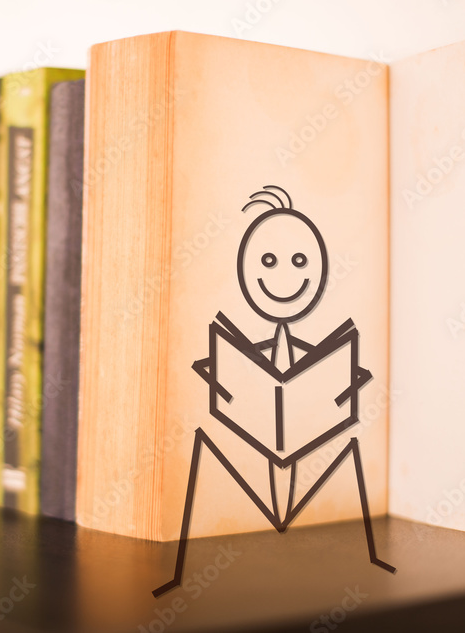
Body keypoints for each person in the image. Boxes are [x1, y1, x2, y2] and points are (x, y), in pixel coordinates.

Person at [153, 186, 395, 599]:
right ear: (247, 271)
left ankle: (371, 556)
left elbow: (348, 378)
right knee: (202, 442)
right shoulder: (250, 347)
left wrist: (349, 379)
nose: (285, 275)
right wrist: (214, 372)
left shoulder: (312, 349)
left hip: (309, 451)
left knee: (349, 446)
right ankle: (179, 573)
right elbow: (224, 373)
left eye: (300, 261)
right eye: (268, 261)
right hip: (252, 448)